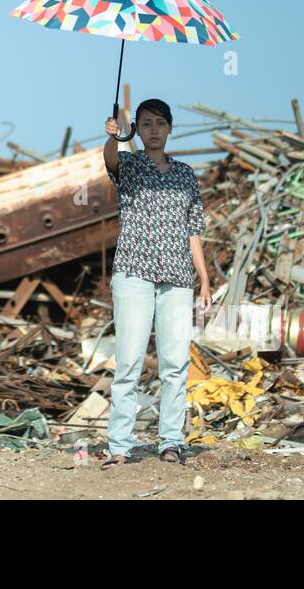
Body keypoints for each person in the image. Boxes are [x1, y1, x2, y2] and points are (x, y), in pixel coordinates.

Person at [100, 98, 212, 466]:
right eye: (145, 123)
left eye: (159, 123)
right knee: (129, 361)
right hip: (134, 273)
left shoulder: (184, 175)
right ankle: (119, 447)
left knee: (175, 363)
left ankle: (171, 440)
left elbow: (194, 230)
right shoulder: (130, 165)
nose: (152, 130)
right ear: (139, 129)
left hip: (178, 277)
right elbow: (110, 161)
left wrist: (205, 280)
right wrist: (113, 135)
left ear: (169, 128)